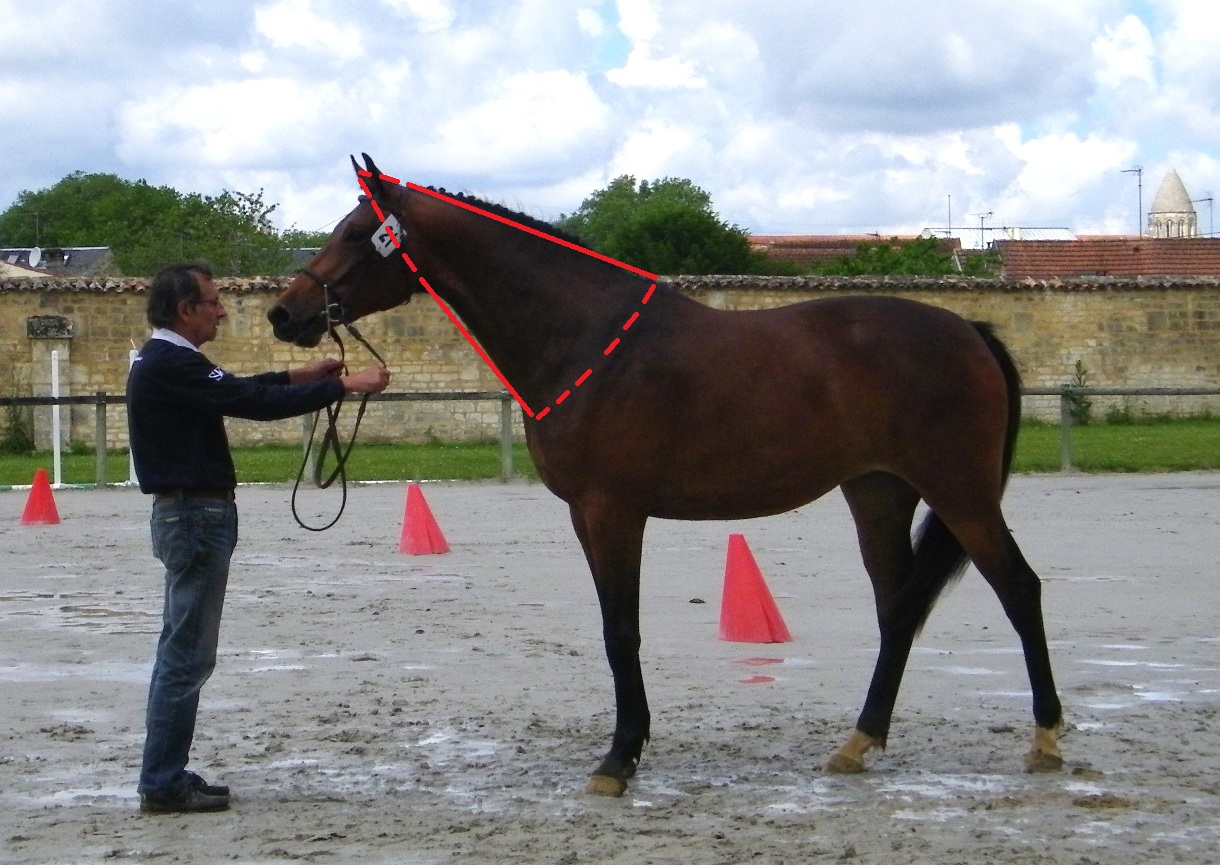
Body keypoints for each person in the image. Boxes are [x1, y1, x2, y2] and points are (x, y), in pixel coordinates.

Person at [127, 262, 390, 814]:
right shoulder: (172, 362)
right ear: (186, 310)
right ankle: (162, 781)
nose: (222, 310)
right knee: (187, 656)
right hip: (195, 516)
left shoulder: (169, 361)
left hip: (190, 516)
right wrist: (342, 384)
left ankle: (166, 773)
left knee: (184, 650)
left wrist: (305, 376)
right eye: (213, 301)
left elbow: (241, 390)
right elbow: (252, 404)